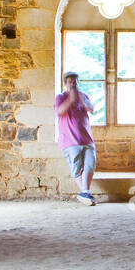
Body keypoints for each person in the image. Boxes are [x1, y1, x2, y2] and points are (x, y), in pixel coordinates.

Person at [55, 71, 97, 206]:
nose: (73, 84)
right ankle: (86, 192)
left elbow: (91, 108)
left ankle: (85, 193)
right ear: (65, 84)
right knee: (76, 167)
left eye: (75, 82)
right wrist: (71, 100)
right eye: (70, 82)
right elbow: (60, 111)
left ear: (78, 83)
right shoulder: (61, 97)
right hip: (70, 140)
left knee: (90, 164)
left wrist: (80, 99)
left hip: (87, 138)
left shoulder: (84, 96)